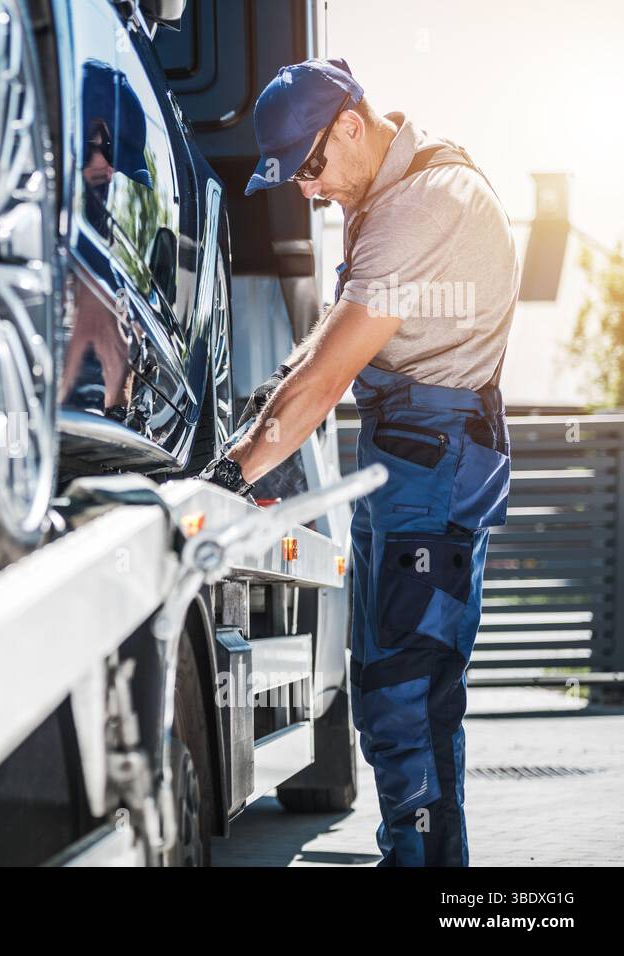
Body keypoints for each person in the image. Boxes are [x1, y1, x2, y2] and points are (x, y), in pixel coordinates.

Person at [198, 57, 519, 866]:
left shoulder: (421, 206)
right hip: (408, 458)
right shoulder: (387, 191)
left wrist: (232, 473)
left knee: (408, 693)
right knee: (389, 687)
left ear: (350, 123)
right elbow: (344, 328)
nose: (305, 189)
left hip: (434, 465)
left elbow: (334, 374)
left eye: (309, 165)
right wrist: (277, 385)